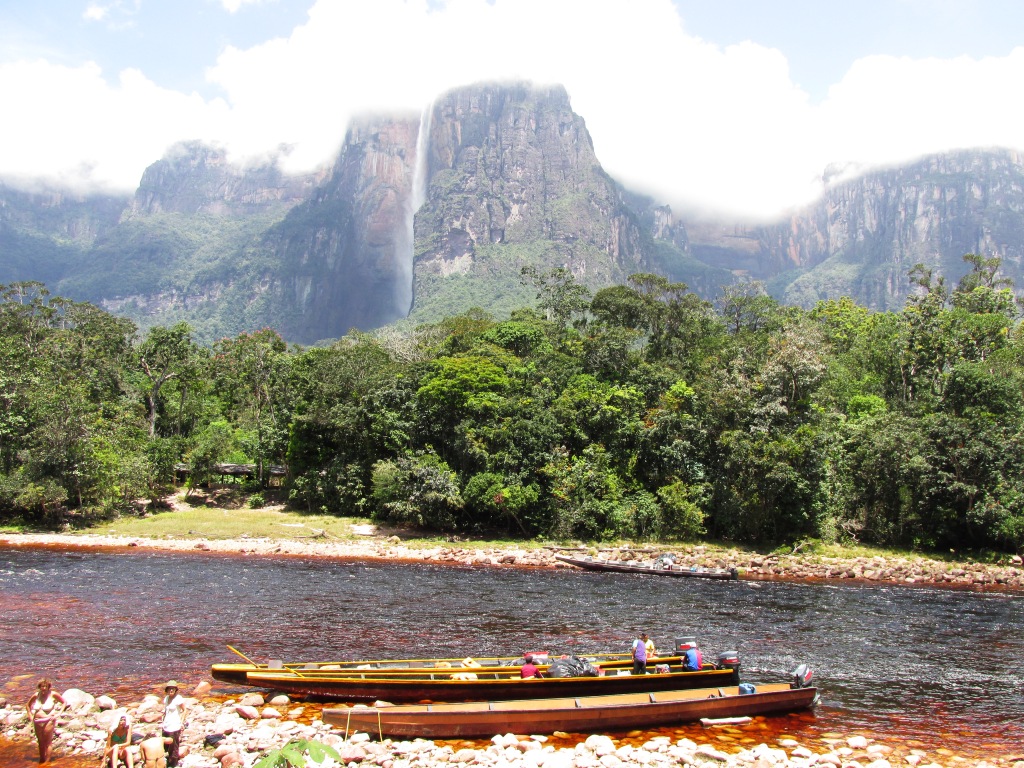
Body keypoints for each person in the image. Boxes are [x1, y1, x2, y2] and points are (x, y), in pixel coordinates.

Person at [26, 678, 66, 764]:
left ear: (48, 687)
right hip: (37, 721)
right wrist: (30, 716)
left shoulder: (53, 694)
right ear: (39, 687)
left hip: (48, 720)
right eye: (42, 686)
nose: (44, 688)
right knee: (40, 742)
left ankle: (47, 762)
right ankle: (42, 760)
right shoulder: (36, 695)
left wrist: (58, 713)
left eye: (46, 686)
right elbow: (28, 705)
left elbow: (64, 702)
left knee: (47, 742)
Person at [160, 681, 187, 768]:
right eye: (169, 688)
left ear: (175, 689)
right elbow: (166, 711)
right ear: (167, 690)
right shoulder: (167, 698)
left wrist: (181, 722)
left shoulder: (178, 698)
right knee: (165, 745)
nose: (171, 690)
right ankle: (167, 760)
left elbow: (185, 710)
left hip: (175, 726)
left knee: (174, 746)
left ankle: (173, 764)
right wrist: (163, 719)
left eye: (173, 688)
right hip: (166, 725)